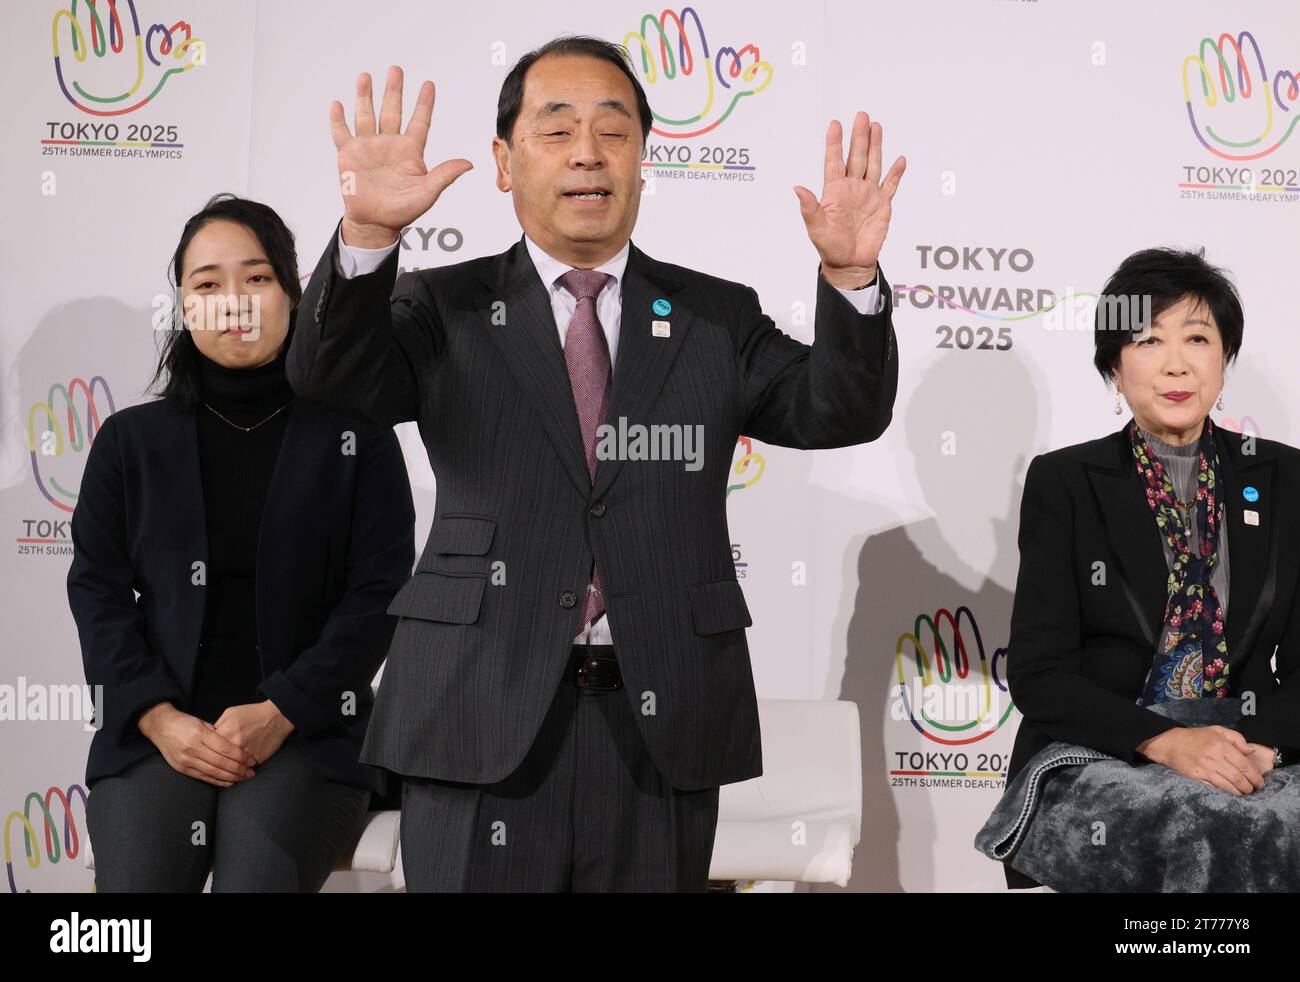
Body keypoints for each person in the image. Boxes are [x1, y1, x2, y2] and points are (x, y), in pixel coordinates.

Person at [288, 35, 903, 892]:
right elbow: (329, 379)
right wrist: (364, 236)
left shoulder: (713, 317)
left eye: (613, 132)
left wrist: (849, 275)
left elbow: (840, 410)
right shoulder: (444, 306)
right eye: (556, 129)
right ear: (504, 162)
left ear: (644, 161)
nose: (587, 152)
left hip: (660, 717)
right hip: (478, 708)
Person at [69, 193, 415, 891]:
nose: (234, 301)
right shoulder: (130, 442)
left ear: (294, 292)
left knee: (258, 876)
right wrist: (160, 718)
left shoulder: (356, 437)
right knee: (136, 888)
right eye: (207, 284)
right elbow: (98, 591)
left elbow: (378, 594)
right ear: (184, 305)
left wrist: (282, 709)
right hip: (157, 733)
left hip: (309, 733)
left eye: (256, 279)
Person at [998, 246, 1300, 890]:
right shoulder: (1067, 481)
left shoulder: (1287, 479)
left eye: (1197, 337)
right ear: (1114, 364)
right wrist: (1166, 742)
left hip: (1248, 749)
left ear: (1225, 357)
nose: (1175, 364)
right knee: (1193, 823)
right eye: (1146, 340)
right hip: (1106, 748)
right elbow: (1039, 672)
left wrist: (1261, 748)